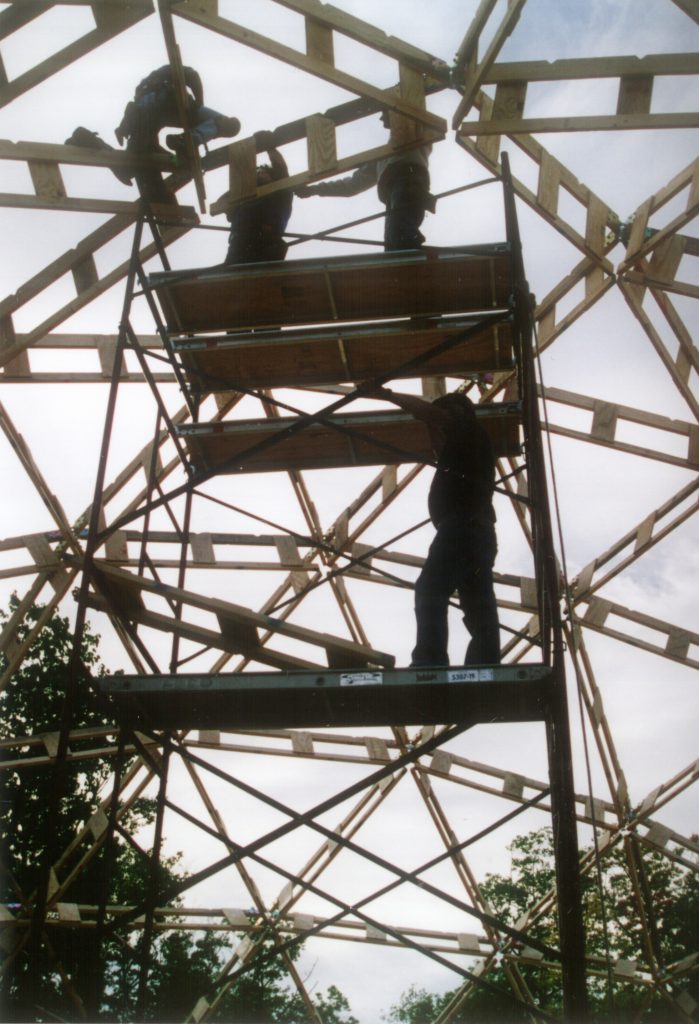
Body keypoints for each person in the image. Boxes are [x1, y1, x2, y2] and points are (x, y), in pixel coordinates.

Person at [375, 386, 500, 666]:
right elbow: (438, 447)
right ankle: (486, 662)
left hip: (461, 528)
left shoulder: (466, 428)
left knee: (430, 589)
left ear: (457, 412)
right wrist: (430, 423)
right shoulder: (467, 445)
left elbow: (432, 415)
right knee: (478, 604)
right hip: (477, 531)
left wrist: (387, 395)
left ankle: (430, 659)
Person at [295, 111, 434, 251]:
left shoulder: (414, 136)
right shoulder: (382, 157)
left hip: (408, 181)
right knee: (393, 243)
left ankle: (414, 257)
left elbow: (417, 113)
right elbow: (351, 185)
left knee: (399, 235)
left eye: (384, 112)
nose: (380, 118)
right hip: (394, 194)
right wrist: (314, 190)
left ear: (395, 112)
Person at [114, 65, 241, 204]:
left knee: (148, 150)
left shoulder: (146, 87)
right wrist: (198, 104)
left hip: (148, 109)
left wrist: (123, 126)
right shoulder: (168, 76)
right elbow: (193, 75)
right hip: (167, 102)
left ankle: (181, 143)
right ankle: (187, 140)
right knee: (230, 125)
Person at [224, 133, 293, 265]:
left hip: (267, 242)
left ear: (272, 176)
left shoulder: (280, 192)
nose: (259, 173)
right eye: (258, 171)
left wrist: (269, 147)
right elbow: (226, 206)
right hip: (240, 244)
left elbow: (281, 169)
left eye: (263, 171)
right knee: (232, 280)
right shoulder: (245, 197)